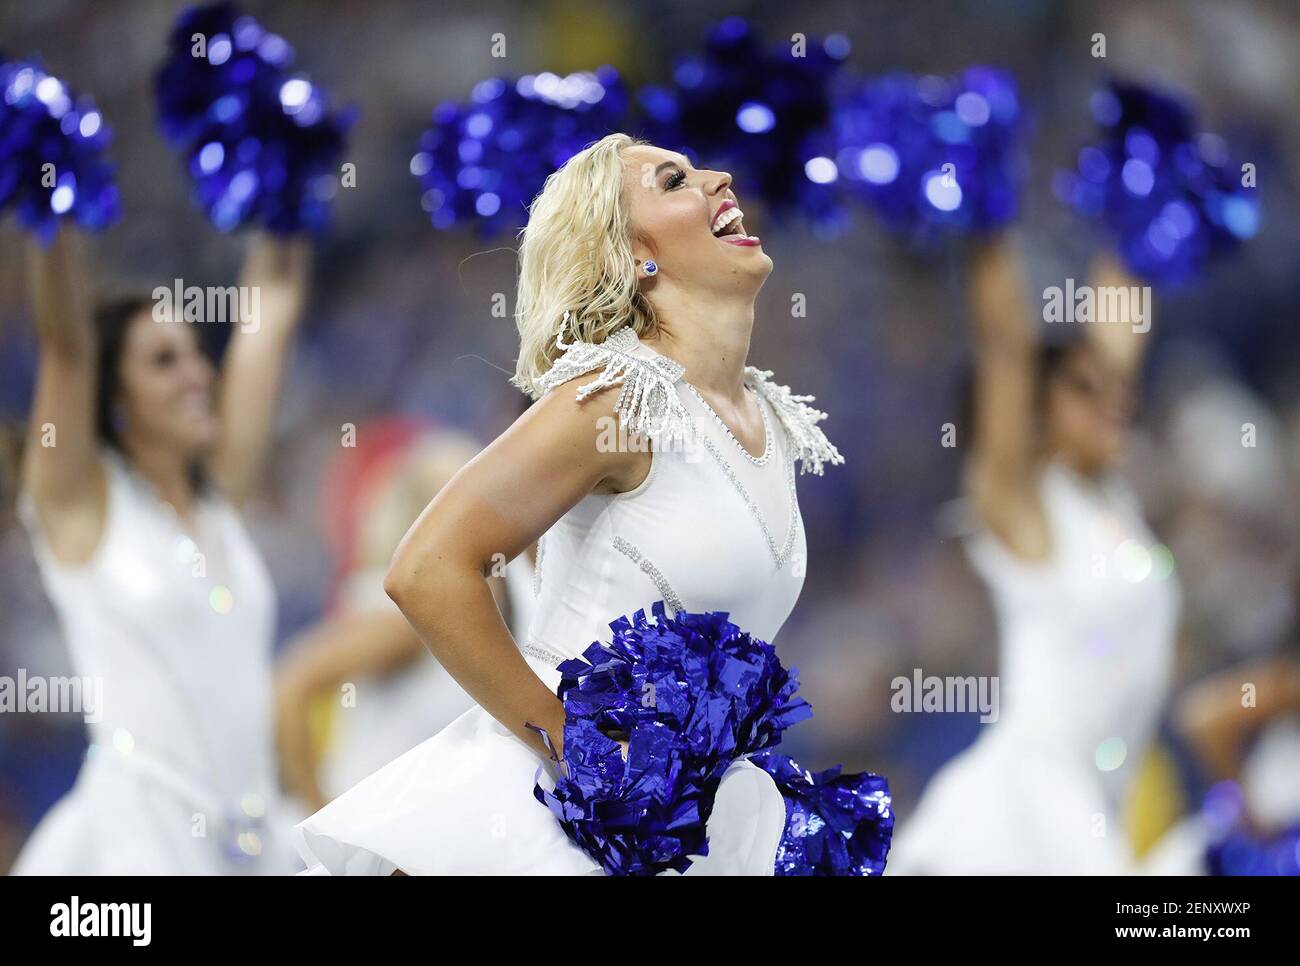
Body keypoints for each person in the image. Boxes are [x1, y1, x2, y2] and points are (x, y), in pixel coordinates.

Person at [293, 133, 849, 875]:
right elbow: (427, 569)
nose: (719, 178)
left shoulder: (769, 422)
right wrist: (573, 746)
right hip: (541, 822)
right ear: (633, 256)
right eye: (675, 179)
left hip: (677, 826)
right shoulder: (617, 396)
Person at [12, 229, 309, 874]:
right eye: (163, 361)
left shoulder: (219, 496)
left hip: (253, 832)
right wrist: (51, 195)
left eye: (196, 353)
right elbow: (66, 344)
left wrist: (287, 173)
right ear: (115, 400)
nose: (199, 373)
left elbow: (273, 305)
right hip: (138, 836)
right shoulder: (82, 508)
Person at [890, 238, 1182, 874]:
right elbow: (1005, 342)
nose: (1114, 402)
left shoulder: (1108, 499)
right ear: (1038, 416)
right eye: (1083, 390)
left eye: (1111, 388)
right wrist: (983, 209)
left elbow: (1121, 320)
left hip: (1099, 795)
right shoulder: (1024, 507)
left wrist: (1133, 181)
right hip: (1024, 807)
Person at [274, 422, 536, 810]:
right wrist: (322, 817)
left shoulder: (504, 603)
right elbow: (292, 686)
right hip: (379, 850)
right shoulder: (403, 619)